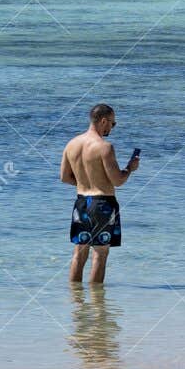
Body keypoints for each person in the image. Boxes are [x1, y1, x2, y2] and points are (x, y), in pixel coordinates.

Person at [60, 103, 140, 284]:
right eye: (113, 123)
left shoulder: (71, 144)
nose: (112, 127)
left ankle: (76, 298)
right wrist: (130, 168)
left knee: (79, 254)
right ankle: (97, 300)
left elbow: (64, 177)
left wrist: (84, 183)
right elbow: (118, 181)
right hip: (103, 204)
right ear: (103, 121)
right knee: (100, 255)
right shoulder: (105, 147)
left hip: (81, 203)